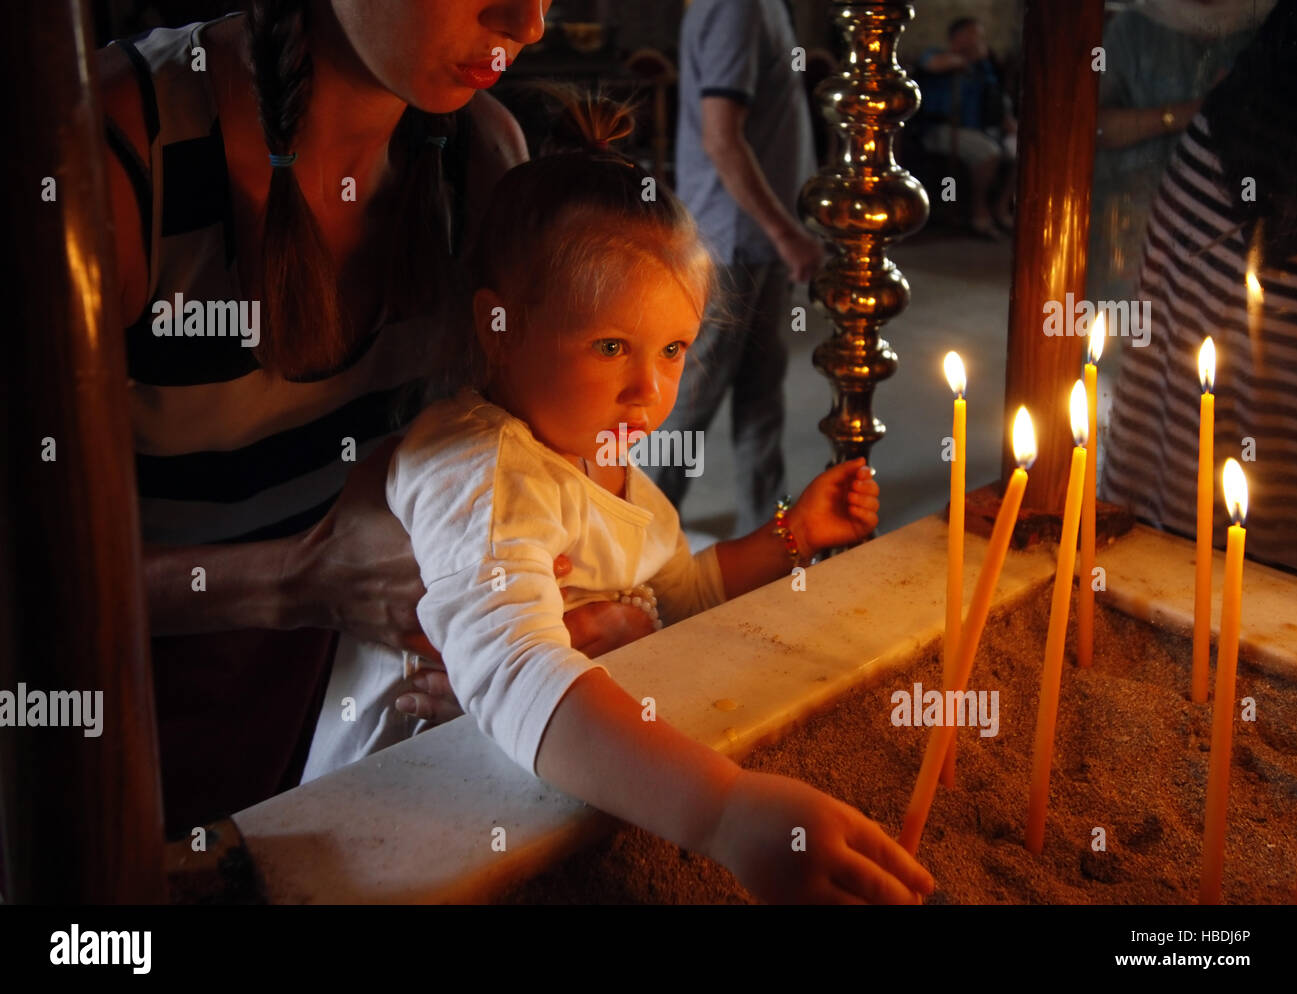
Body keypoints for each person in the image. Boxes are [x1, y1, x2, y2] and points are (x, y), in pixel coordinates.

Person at [300, 88, 930, 905]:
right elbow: (517, 671)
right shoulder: (483, 471)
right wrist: (723, 814)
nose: (649, 389)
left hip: (548, 784)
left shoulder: (616, 472)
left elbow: (677, 597)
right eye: (609, 346)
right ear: (499, 328)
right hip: (402, 826)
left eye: (673, 348)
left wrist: (790, 536)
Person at [97, 0, 654, 837]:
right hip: (120, 745)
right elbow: (28, 574)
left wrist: (585, 609)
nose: (528, 23)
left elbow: (523, 474)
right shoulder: (116, 155)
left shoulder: (480, 158)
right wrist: (299, 581)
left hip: (356, 745)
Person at [1100, 0, 1297, 573]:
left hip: (1215, 548)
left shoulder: (1249, 38)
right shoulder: (1133, 30)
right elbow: (1088, 123)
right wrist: (1178, 113)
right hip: (1138, 222)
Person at [654, 0, 822, 538]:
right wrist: (785, 231)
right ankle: (632, 541)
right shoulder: (737, 5)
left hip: (751, 241)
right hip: (733, 242)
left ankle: (769, 534)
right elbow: (721, 137)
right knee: (687, 404)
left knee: (760, 393)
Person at [914, 16, 1017, 238]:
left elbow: (997, 98)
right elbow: (932, 65)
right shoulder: (935, 55)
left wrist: (1007, 120)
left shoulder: (984, 68)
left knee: (1020, 151)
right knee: (988, 153)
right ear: (957, 37)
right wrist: (964, 60)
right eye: (972, 35)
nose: (977, 41)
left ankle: (1001, 207)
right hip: (941, 129)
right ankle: (978, 212)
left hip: (981, 129)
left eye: (979, 36)